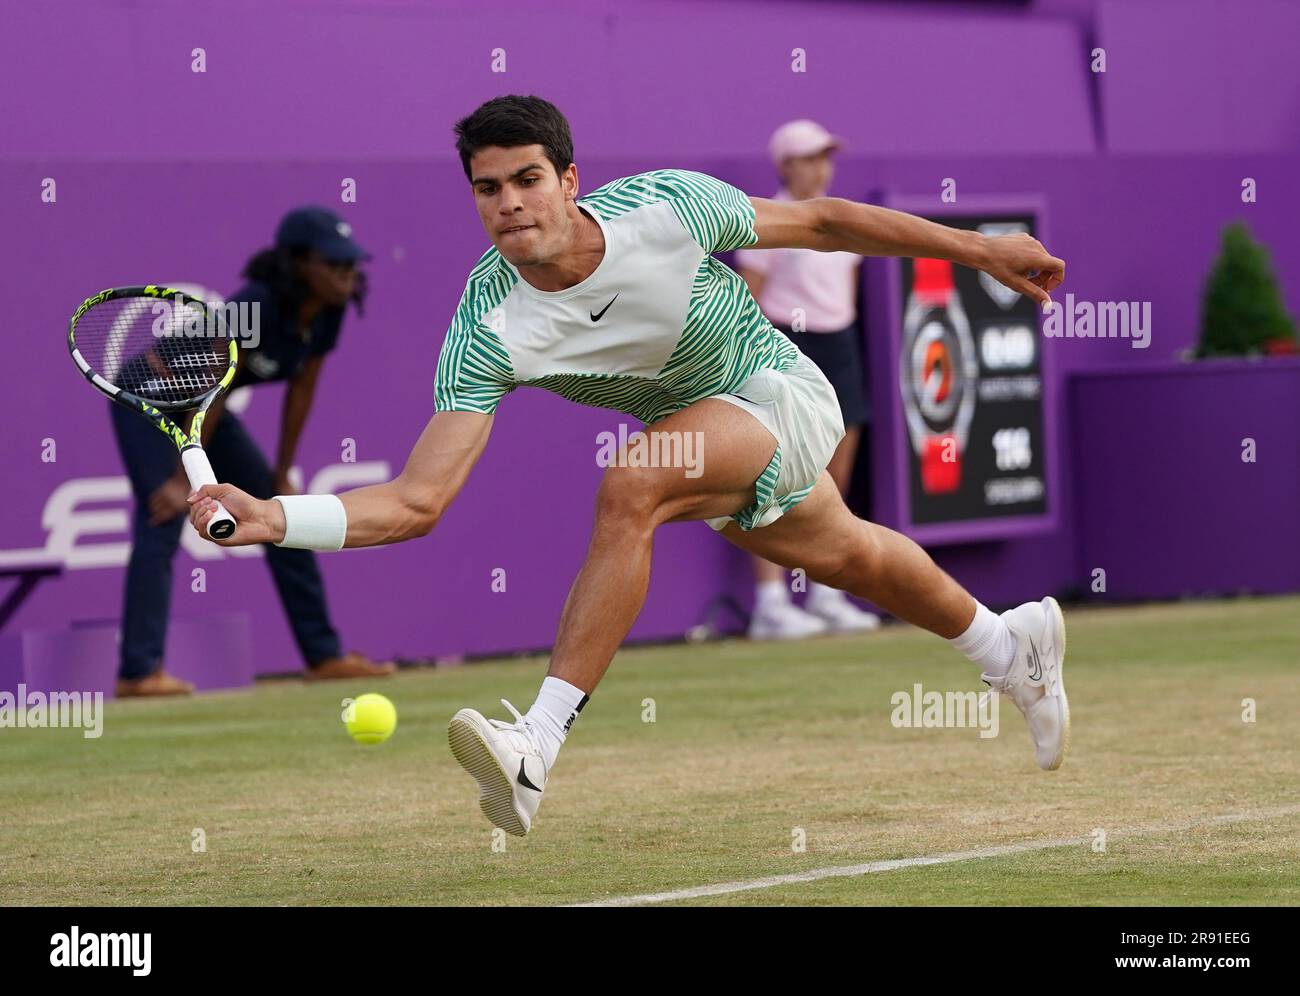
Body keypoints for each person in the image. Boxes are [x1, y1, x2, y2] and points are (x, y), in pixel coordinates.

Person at [188, 96, 1070, 835]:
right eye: (488, 189)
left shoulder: (666, 208)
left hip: (775, 388)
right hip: (704, 432)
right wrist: (273, 515)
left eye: (529, 180)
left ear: (569, 183)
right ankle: (1008, 646)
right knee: (850, 555)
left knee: (633, 483)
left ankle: (535, 745)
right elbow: (418, 502)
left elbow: (827, 223)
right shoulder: (487, 328)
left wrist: (981, 250)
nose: (511, 205)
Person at [112, 207, 394, 696]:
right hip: (153, 395)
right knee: (163, 514)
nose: (347, 274)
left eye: (351, 264)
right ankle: (138, 672)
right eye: (335, 263)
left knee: (279, 514)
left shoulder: (330, 311)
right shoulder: (256, 306)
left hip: (203, 406)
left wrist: (282, 472)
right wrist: (183, 480)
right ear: (301, 263)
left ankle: (323, 656)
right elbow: (212, 391)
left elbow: (302, 389)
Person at [735, 119, 880, 639]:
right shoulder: (767, 221)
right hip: (786, 346)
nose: (821, 167)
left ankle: (827, 592)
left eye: (826, 157)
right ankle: (771, 604)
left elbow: (850, 290)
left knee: (835, 479)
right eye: (809, 157)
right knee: (775, 475)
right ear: (785, 166)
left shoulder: (844, 220)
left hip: (840, 346)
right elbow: (747, 296)